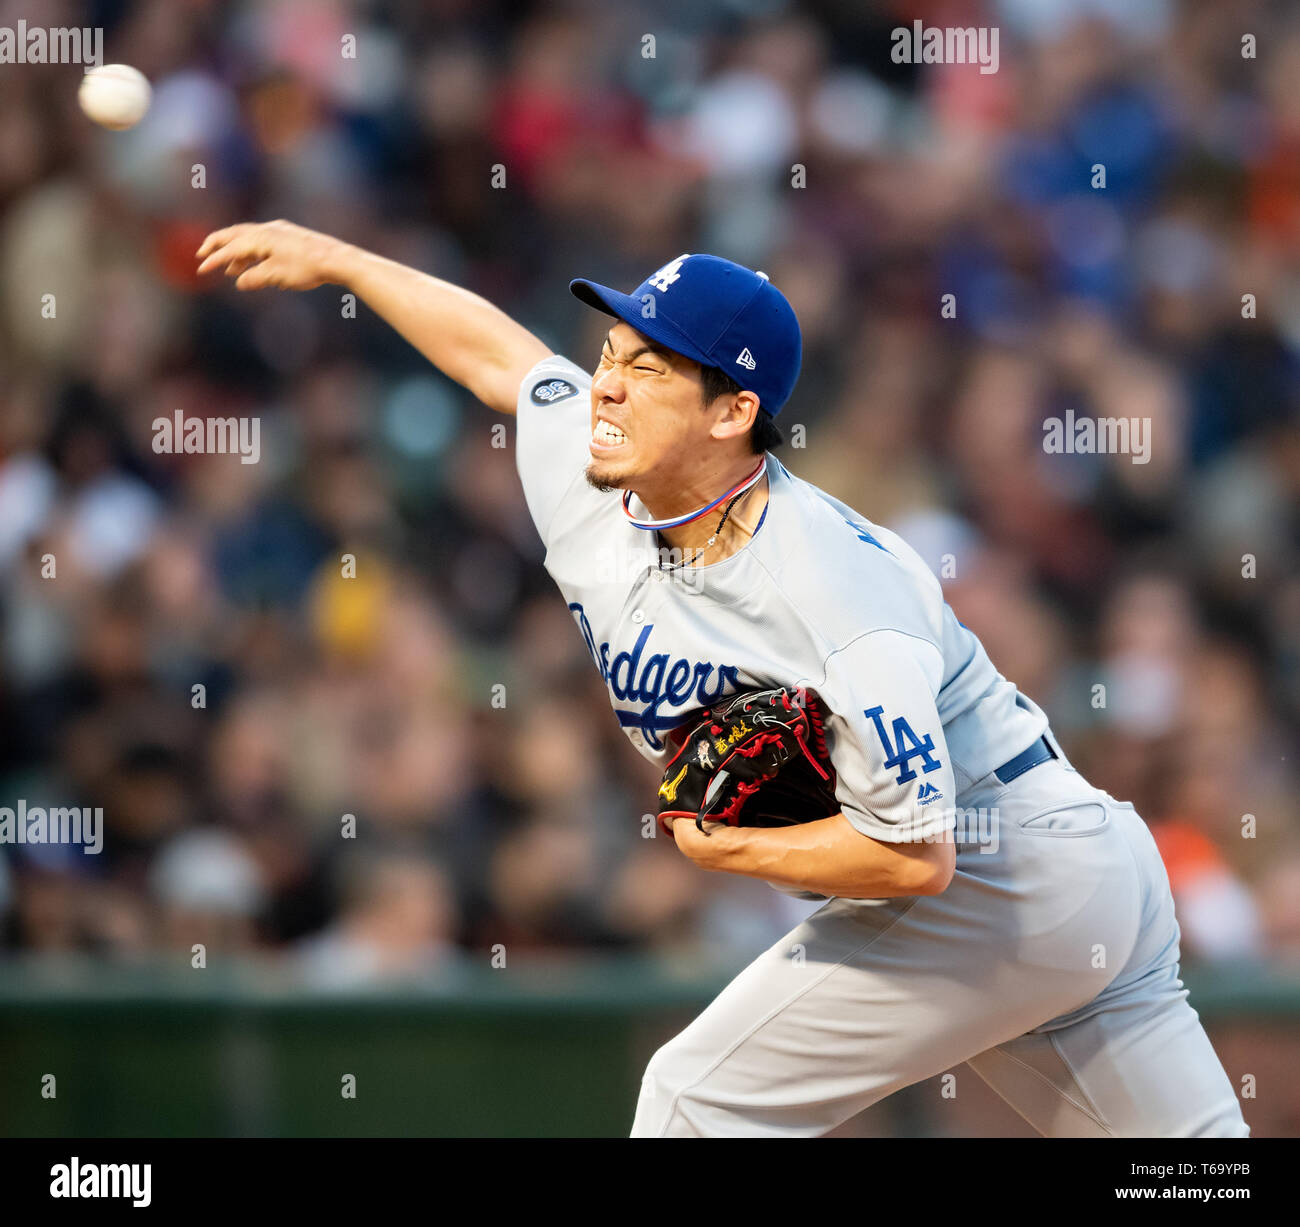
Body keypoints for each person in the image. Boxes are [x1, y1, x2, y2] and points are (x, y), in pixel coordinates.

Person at [196, 222, 1250, 1138]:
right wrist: (339, 260)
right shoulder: (595, 457)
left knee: (694, 1102)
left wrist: (730, 844)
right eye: (612, 350)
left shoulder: (835, 584)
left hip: (1002, 862)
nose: (604, 382)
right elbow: (500, 360)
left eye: (647, 368)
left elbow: (919, 857)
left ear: (729, 412)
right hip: (1074, 876)